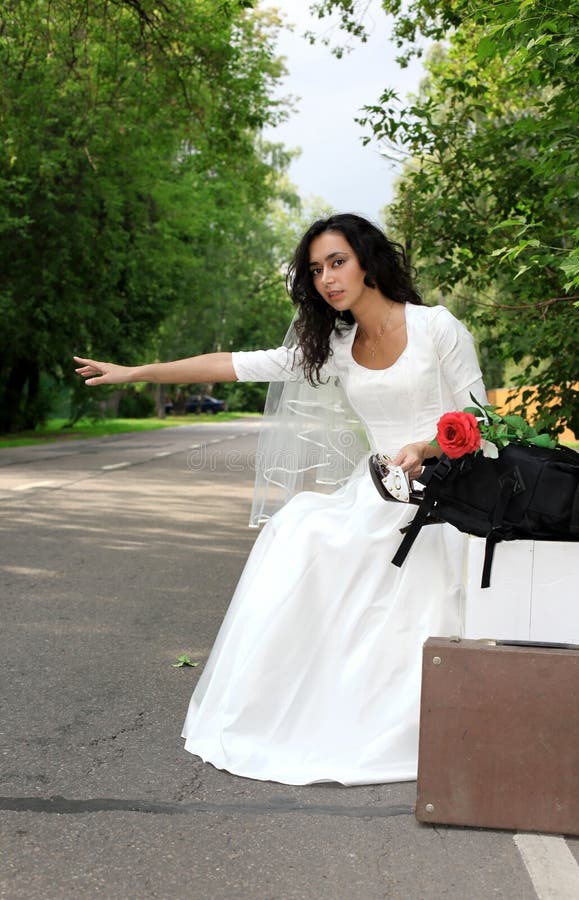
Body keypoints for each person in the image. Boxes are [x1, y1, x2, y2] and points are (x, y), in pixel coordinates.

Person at [74, 213, 486, 786]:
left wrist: (427, 445)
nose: (327, 279)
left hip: (451, 488)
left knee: (332, 539)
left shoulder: (437, 326)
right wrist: (134, 372)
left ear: (367, 261)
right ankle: (310, 703)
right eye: (316, 269)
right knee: (299, 528)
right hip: (378, 490)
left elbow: (481, 419)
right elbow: (233, 364)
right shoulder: (336, 346)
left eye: (337, 262)